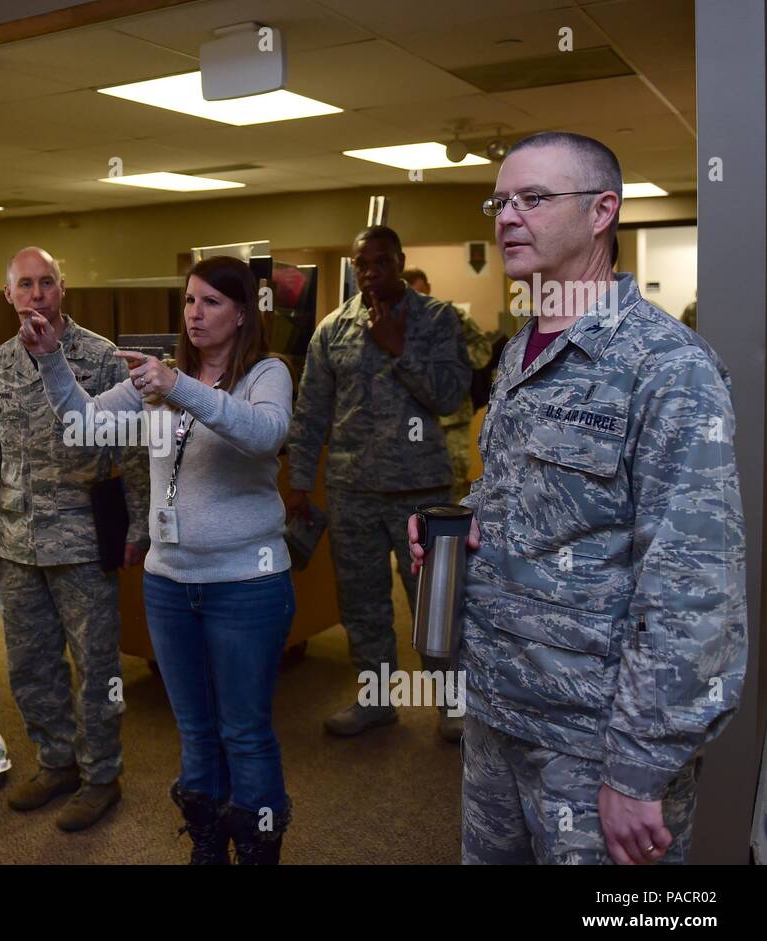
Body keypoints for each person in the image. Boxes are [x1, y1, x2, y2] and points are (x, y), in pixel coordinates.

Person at [411, 131, 746, 864]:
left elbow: (695, 589)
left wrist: (639, 766)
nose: (505, 217)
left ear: (602, 212)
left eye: (533, 198)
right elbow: (524, 488)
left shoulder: (667, 366)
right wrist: (461, 523)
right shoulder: (520, 350)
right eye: (499, 200)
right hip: (498, 712)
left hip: (596, 743)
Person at [20, 256, 295, 864]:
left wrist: (178, 388)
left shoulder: (265, 374)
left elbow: (262, 433)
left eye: (212, 303)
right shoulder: (156, 380)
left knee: (244, 732)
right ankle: (205, 840)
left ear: (243, 313)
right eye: (190, 301)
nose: (196, 313)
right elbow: (81, 424)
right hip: (171, 583)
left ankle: (256, 850)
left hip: (245, 584)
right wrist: (50, 360)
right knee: (194, 731)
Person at [0, 247, 149, 831]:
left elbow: (135, 450)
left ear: (62, 289)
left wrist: (142, 524)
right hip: (17, 542)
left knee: (96, 666)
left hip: (83, 539)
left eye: (47, 283)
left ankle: (101, 776)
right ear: (10, 294)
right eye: (26, 285)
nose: (37, 294)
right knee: (31, 665)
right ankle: (56, 762)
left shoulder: (100, 358)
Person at [287, 226, 471, 742]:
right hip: (352, 492)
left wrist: (399, 350)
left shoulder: (436, 320)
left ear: (399, 261)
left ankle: (452, 704)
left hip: (423, 490)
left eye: (381, 263)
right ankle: (376, 700)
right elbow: (311, 412)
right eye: (362, 265)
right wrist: (300, 481)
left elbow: (452, 396)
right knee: (362, 603)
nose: (370, 274)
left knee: (436, 602)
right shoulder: (332, 329)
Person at [401, 268, 492, 502]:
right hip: (416, 416)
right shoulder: (395, 322)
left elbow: (483, 352)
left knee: (455, 479)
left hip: (452, 415)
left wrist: (452, 362)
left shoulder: (452, 316)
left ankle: (454, 534)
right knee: (415, 478)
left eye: (420, 293)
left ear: (429, 288)